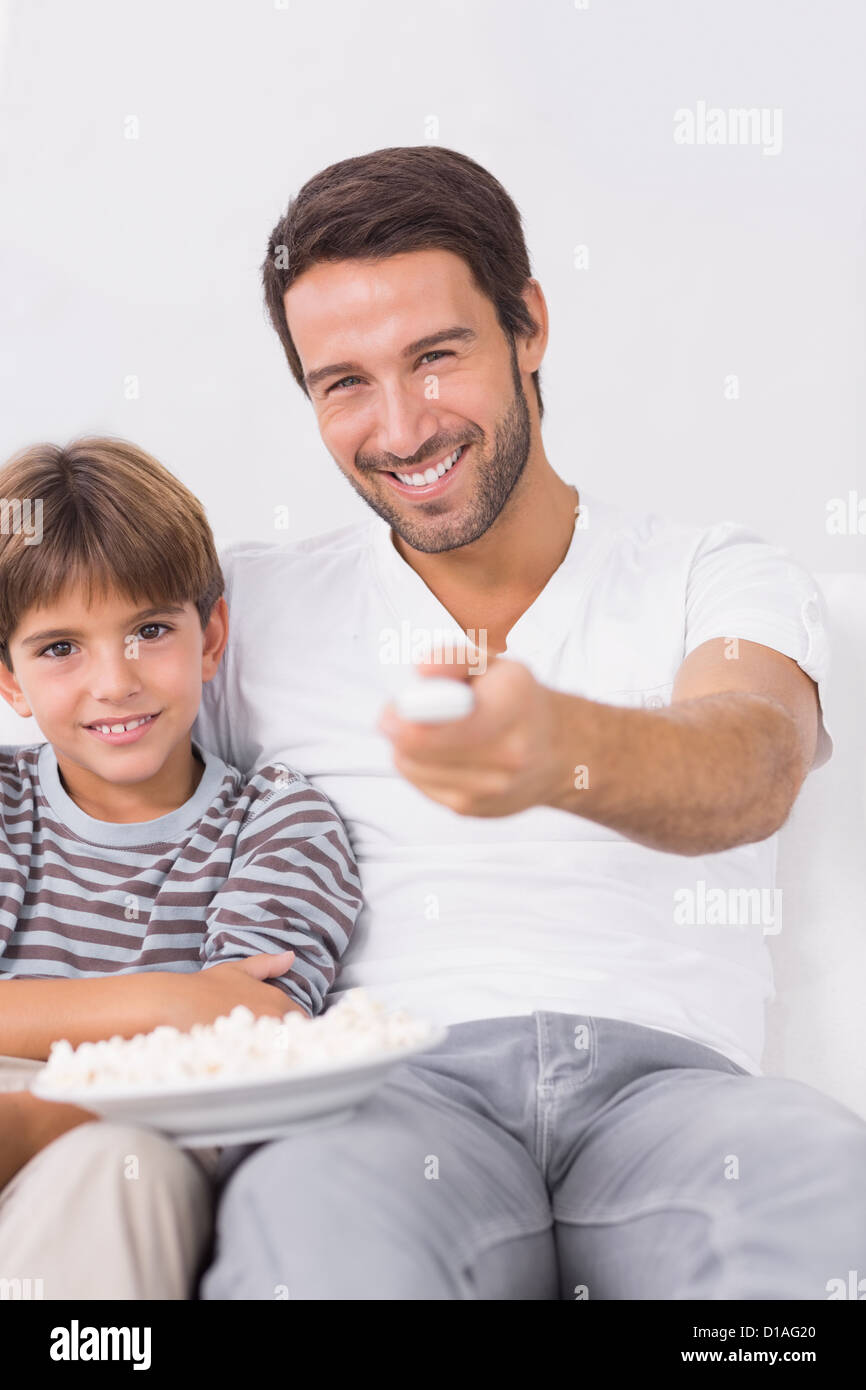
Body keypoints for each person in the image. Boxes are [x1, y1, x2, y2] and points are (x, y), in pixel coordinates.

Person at [195, 145, 866, 1300]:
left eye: (435, 356)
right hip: (382, 1097)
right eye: (342, 382)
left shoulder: (715, 573)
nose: (401, 427)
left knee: (816, 1214)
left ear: (529, 324)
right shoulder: (241, 610)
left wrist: (557, 748)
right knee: (309, 1236)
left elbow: (752, 758)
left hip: (678, 1101)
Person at [0, 437, 362, 1300]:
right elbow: (210, 1014)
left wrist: (34, 1111)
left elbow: (251, 1043)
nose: (114, 681)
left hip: (146, 1150)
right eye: (60, 649)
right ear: (8, 678)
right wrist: (175, 1000)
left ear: (212, 638)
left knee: (123, 1164)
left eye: (150, 630)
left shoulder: (278, 821)